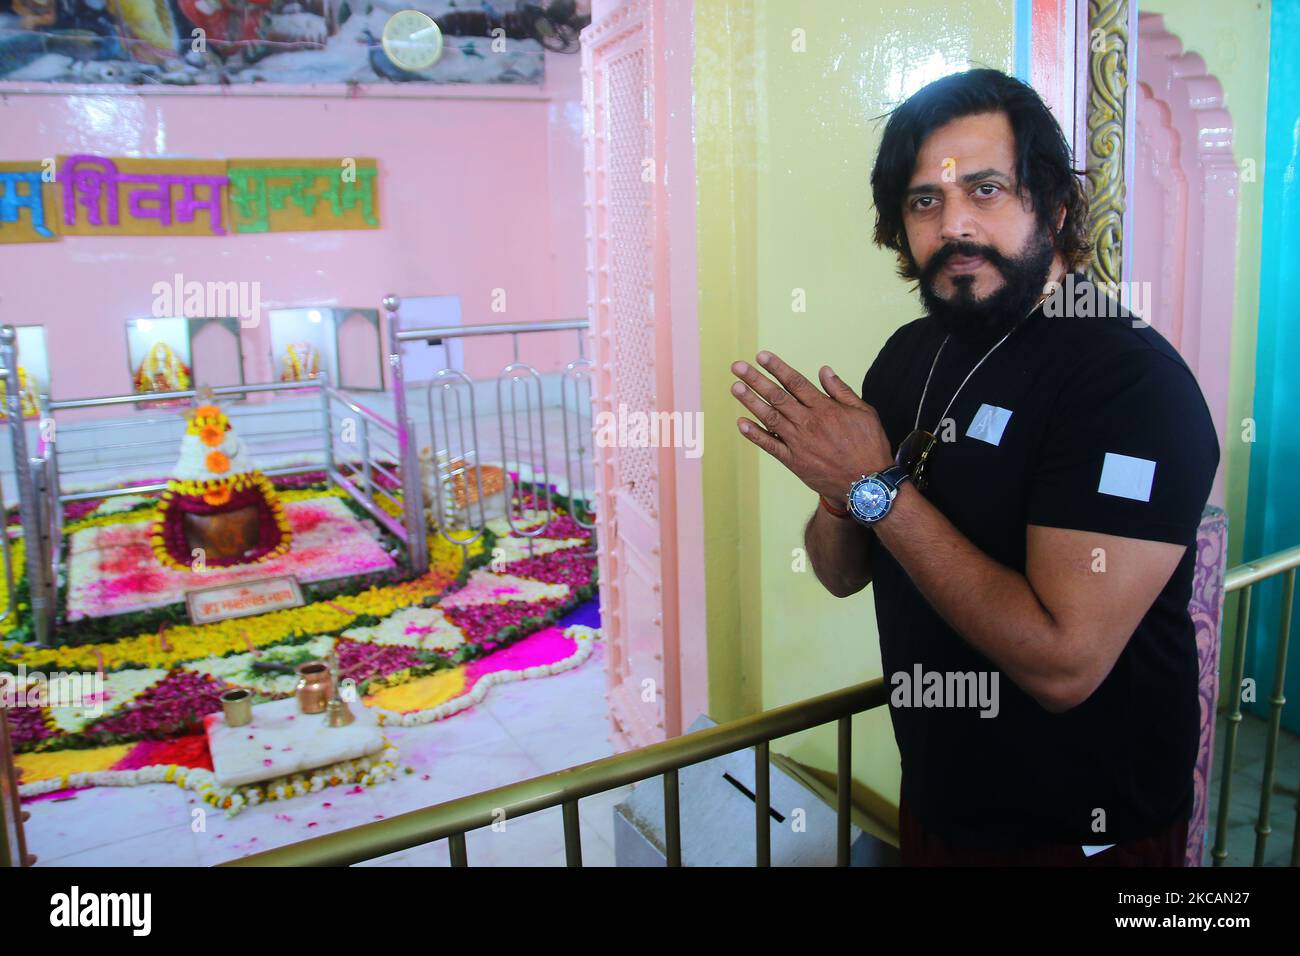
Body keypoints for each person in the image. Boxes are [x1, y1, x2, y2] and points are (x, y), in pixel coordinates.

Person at [728, 68, 1219, 866]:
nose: (955, 225)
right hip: (941, 805)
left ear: (1054, 207)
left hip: (1084, 833)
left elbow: (1064, 663)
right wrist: (840, 491)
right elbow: (838, 572)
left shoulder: (1127, 382)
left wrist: (873, 488)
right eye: (925, 201)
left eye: (987, 190)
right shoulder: (910, 354)